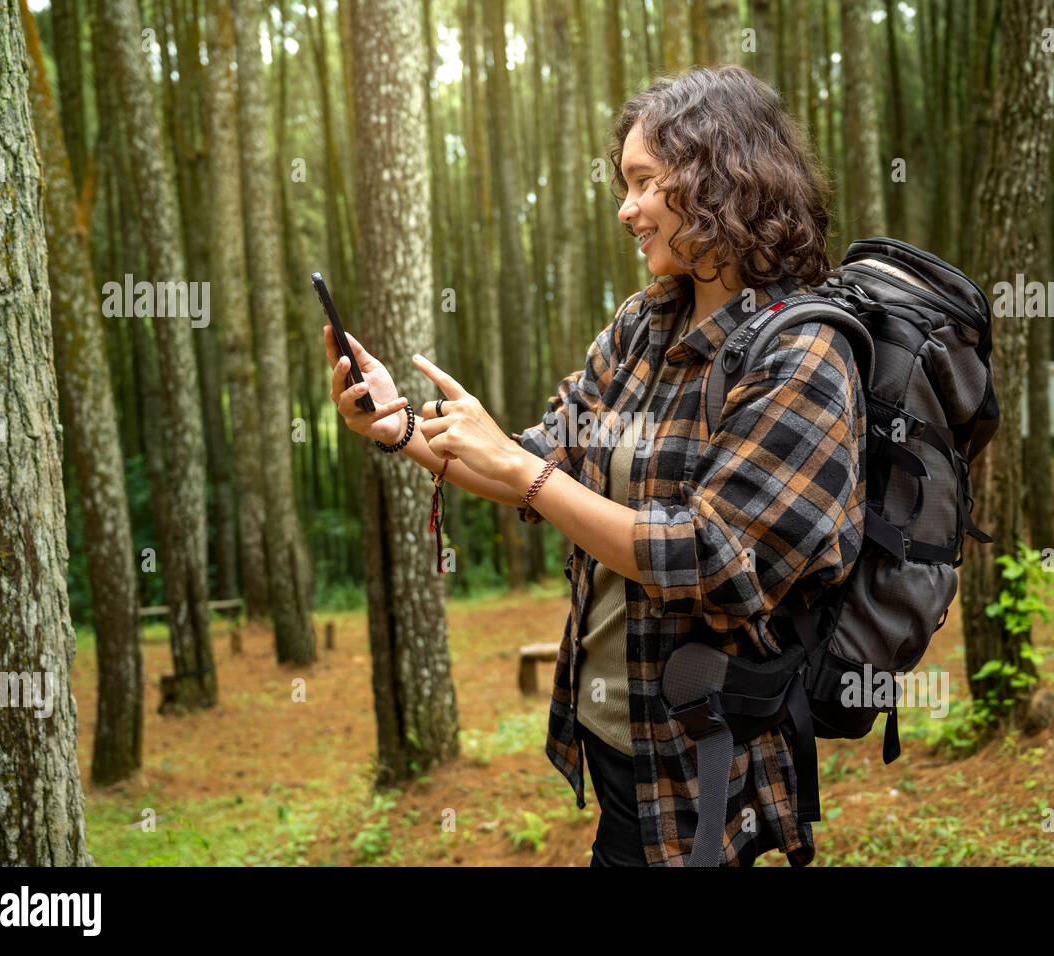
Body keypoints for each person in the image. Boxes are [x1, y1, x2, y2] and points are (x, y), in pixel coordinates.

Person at [324, 65, 865, 867]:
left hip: (711, 767)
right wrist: (399, 430)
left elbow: (710, 558)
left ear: (718, 177)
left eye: (644, 183)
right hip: (619, 744)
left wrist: (528, 478)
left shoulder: (803, 354)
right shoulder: (641, 326)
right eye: (624, 184)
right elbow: (540, 454)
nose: (625, 209)